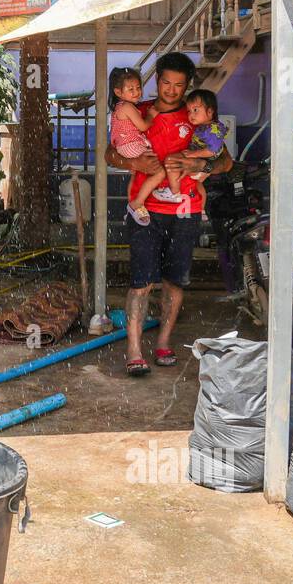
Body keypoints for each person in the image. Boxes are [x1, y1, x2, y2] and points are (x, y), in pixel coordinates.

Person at [104, 52, 233, 376]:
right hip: (144, 210)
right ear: (156, 79)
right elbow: (109, 152)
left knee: (174, 283)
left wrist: (198, 164)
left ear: (187, 86)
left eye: (179, 85)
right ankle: (134, 351)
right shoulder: (138, 110)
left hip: (185, 212)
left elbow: (225, 162)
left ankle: (163, 342)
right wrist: (133, 163)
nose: (172, 90)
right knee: (140, 283)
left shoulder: (196, 117)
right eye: (165, 82)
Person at [107, 65, 170, 227]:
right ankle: (138, 203)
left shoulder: (118, 108)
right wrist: (151, 115)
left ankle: (132, 204)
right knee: (160, 171)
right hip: (131, 145)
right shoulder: (127, 107)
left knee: (136, 175)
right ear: (118, 92)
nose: (136, 92)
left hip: (123, 146)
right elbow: (143, 126)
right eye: (131, 89)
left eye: (138, 88)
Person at [180, 89, 229, 216]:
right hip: (203, 158)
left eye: (196, 110)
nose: (191, 115)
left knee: (188, 178)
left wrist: (193, 154)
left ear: (210, 111)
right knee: (196, 184)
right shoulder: (204, 126)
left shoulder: (212, 130)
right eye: (189, 111)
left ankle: (199, 208)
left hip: (208, 159)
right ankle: (201, 209)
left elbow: (212, 151)